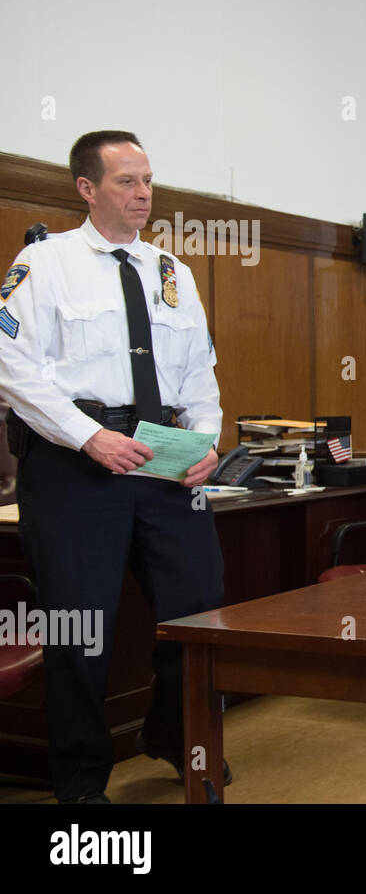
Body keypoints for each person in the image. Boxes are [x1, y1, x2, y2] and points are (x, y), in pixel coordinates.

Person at [0, 131, 228, 803]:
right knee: (81, 628)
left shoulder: (172, 273)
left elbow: (200, 373)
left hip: (162, 460)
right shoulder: (44, 264)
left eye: (148, 179)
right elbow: (12, 367)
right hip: (75, 470)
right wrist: (87, 435)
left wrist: (208, 440)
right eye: (127, 181)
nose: (144, 193)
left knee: (200, 608)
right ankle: (80, 783)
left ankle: (173, 731)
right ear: (87, 188)